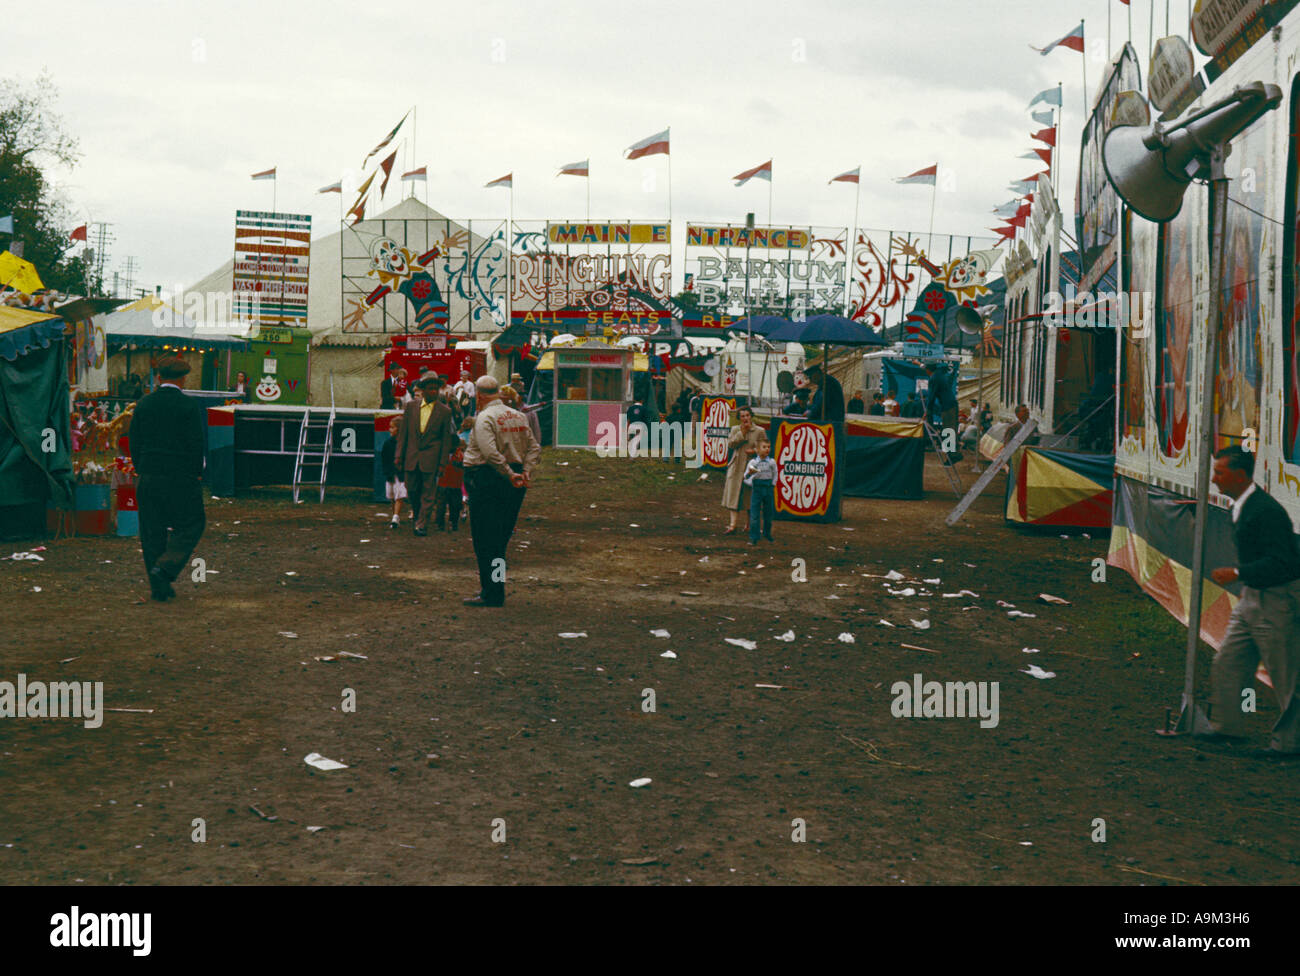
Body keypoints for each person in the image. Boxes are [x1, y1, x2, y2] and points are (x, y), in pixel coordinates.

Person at [1201, 446, 1300, 755]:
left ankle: (1288, 743)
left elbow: (1284, 563)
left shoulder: (1265, 512)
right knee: (1227, 661)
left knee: (1285, 675)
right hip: (1253, 596)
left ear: (1240, 476)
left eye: (1219, 473)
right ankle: (1227, 725)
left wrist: (1237, 572)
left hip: (1276, 598)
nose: (1214, 479)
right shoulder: (1245, 506)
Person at [126, 357, 206, 602]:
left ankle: (158, 588)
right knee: (192, 524)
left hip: (150, 476)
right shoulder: (189, 406)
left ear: (159, 377)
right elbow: (196, 443)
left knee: (152, 531)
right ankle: (167, 566)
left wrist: (141, 468)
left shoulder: (143, 404)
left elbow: (134, 441)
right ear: (183, 379)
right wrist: (196, 473)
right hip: (181, 477)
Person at [462, 375, 541, 607]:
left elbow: (489, 453)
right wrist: (524, 471)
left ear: (478, 396)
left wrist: (508, 473)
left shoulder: (484, 418)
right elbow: (534, 447)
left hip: (486, 479)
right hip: (513, 480)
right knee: (500, 539)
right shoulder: (517, 416)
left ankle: (491, 592)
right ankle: (496, 590)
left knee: (484, 539)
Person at [394, 375, 458, 536]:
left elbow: (445, 440)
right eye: (430, 389)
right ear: (422, 391)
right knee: (413, 490)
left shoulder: (445, 411)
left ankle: (422, 524)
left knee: (428, 493)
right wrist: (398, 455)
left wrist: (443, 463)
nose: (434, 392)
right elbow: (403, 434)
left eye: (436, 389)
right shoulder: (410, 407)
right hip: (411, 457)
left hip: (432, 459)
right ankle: (417, 515)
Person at [722, 405, 764, 535]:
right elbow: (731, 444)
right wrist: (742, 433)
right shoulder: (735, 429)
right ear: (739, 418)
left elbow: (765, 448)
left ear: (751, 416)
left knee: (749, 498)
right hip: (736, 466)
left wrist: (755, 451)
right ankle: (732, 525)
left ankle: (749, 525)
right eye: (742, 416)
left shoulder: (759, 431)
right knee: (733, 497)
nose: (745, 418)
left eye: (747, 415)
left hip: (751, 468)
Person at [744, 436, 777, 545]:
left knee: (768, 513)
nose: (767, 449)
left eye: (768, 447)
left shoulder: (772, 462)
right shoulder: (753, 462)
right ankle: (754, 537)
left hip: (768, 488)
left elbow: (775, 473)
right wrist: (750, 474)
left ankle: (767, 533)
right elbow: (746, 477)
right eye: (764, 447)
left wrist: (773, 484)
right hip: (757, 488)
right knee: (754, 514)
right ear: (757, 450)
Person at [434, 438, 465, 532]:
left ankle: (453, 523)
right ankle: (440, 524)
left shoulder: (460, 455)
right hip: (444, 484)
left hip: (454, 485)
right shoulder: (443, 453)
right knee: (441, 506)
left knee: (454, 506)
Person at [381, 415, 407, 529]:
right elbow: (384, 458)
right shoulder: (388, 443)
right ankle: (395, 515)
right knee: (392, 496)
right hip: (391, 473)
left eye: (392, 427)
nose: (390, 430)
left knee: (400, 495)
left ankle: (395, 516)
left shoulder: (405, 443)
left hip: (401, 474)